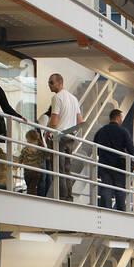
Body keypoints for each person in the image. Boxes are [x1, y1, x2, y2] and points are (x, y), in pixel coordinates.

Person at [45, 72, 83, 202]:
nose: (49, 85)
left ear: (59, 83)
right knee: (67, 169)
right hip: (70, 137)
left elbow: (54, 120)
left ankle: (62, 196)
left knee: (59, 168)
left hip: (59, 136)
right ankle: (68, 196)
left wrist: (47, 132)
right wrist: (74, 133)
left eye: (51, 82)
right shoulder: (74, 98)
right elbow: (80, 121)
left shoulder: (57, 98)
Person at [94, 109, 134, 211]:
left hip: (104, 164)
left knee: (106, 187)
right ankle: (121, 211)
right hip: (118, 165)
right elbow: (130, 147)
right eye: (121, 117)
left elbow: (95, 146)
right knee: (120, 190)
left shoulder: (101, 131)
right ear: (118, 117)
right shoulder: (122, 131)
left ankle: (105, 208)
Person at [20, 129, 48, 195]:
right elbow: (46, 157)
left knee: (30, 186)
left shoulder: (25, 149)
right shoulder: (40, 149)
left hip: (27, 170)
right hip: (36, 170)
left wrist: (19, 164)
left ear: (29, 138)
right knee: (32, 187)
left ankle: (30, 197)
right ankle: (33, 196)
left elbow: (21, 157)